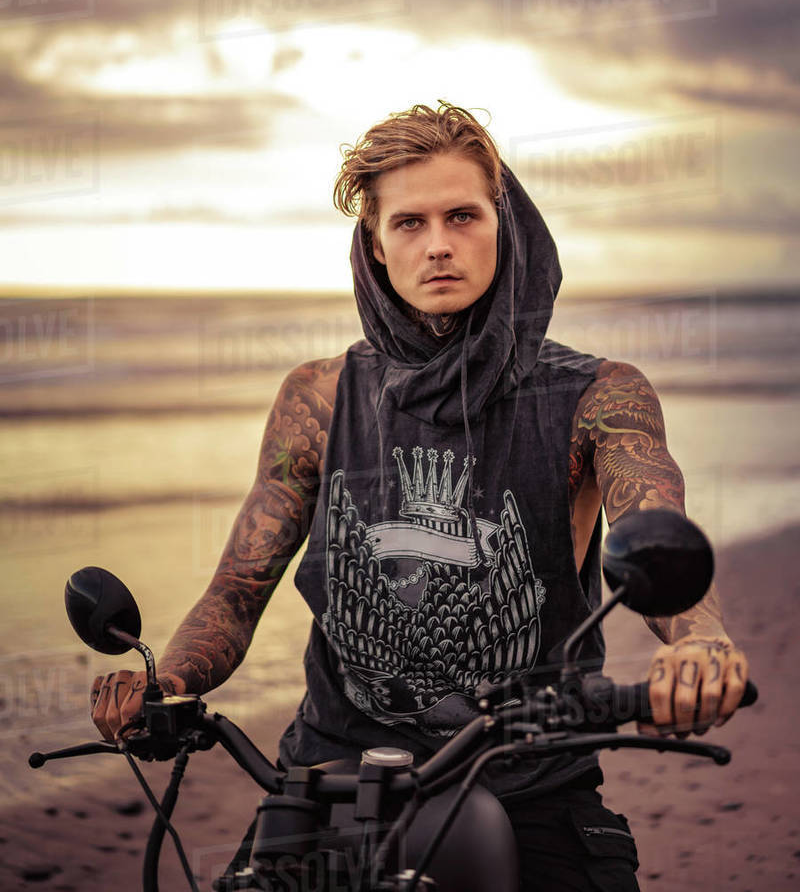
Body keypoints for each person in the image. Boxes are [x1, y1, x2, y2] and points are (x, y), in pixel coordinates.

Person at [91, 103, 749, 890]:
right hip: (329, 774)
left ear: (503, 224)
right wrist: (166, 683)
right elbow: (237, 588)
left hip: (526, 775)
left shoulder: (598, 396)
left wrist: (701, 646)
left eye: (462, 216)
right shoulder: (318, 399)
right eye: (409, 223)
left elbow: (656, 527)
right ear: (374, 243)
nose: (438, 244)